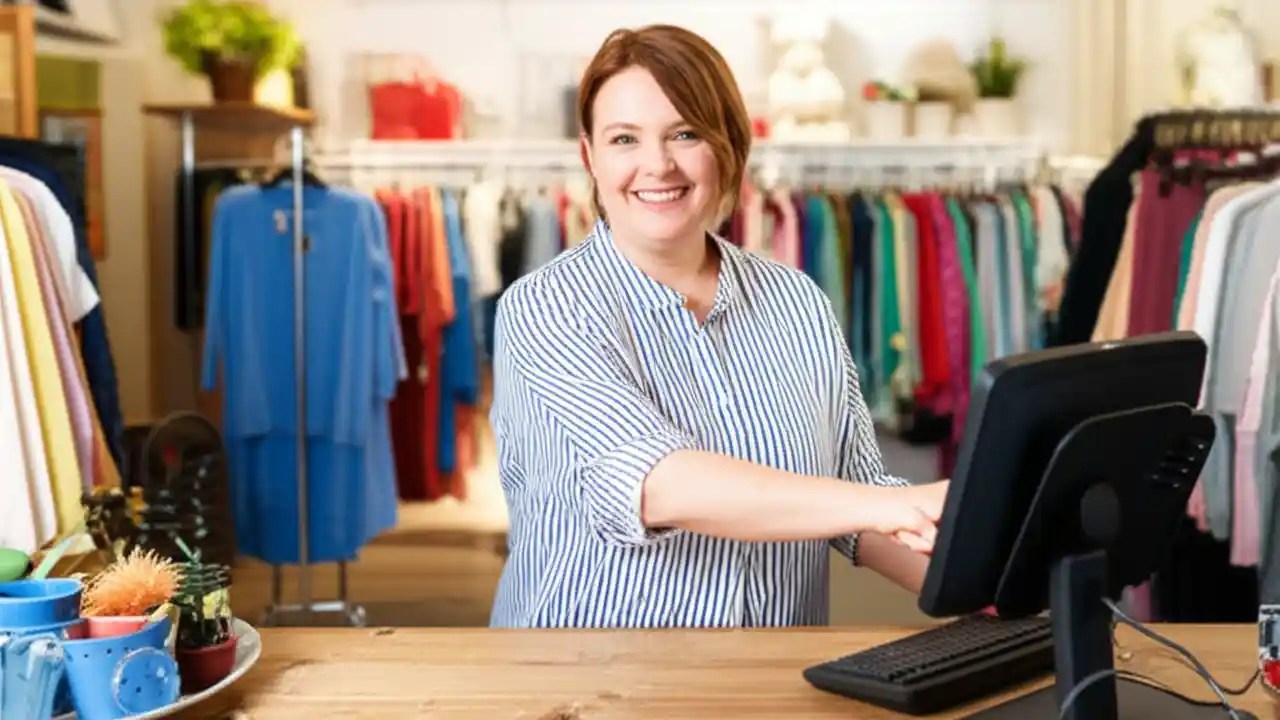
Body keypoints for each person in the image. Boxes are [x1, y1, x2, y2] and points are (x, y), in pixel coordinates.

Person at [488, 24, 948, 629]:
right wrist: (899, 502)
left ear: (727, 144)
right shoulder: (546, 309)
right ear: (590, 157)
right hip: (588, 670)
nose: (658, 165)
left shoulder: (797, 303)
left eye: (685, 134)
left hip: (771, 673)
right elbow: (659, 484)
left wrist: (998, 593)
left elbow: (857, 499)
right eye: (624, 139)